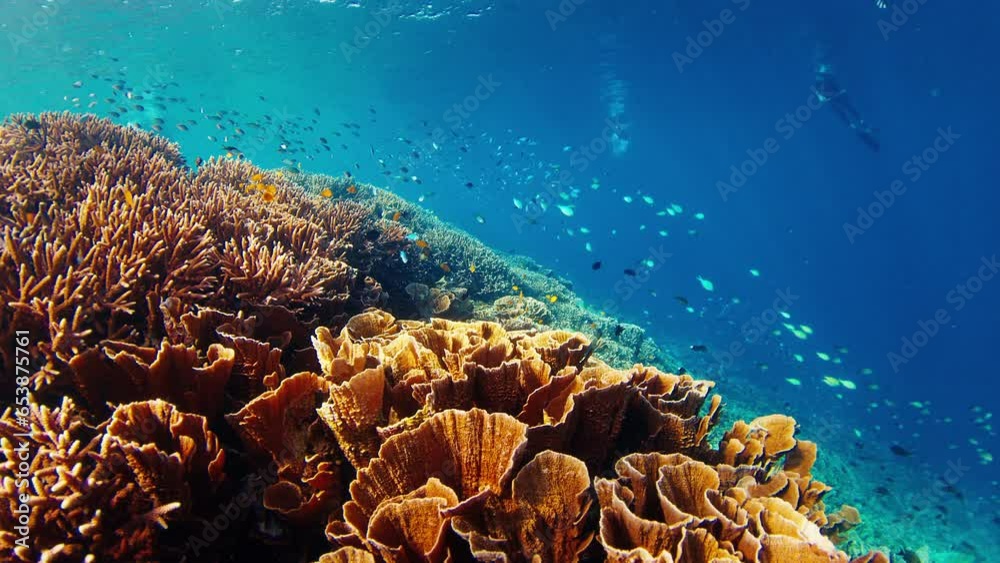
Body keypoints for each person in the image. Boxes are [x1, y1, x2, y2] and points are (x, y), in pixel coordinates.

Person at [813, 62, 881, 152]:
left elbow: (838, 89)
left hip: (840, 99)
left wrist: (840, 92)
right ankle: (860, 133)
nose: (826, 68)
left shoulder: (830, 77)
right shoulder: (818, 82)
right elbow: (821, 98)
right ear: (819, 70)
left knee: (852, 112)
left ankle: (865, 127)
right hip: (834, 103)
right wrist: (827, 96)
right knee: (846, 117)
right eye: (824, 67)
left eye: (825, 67)